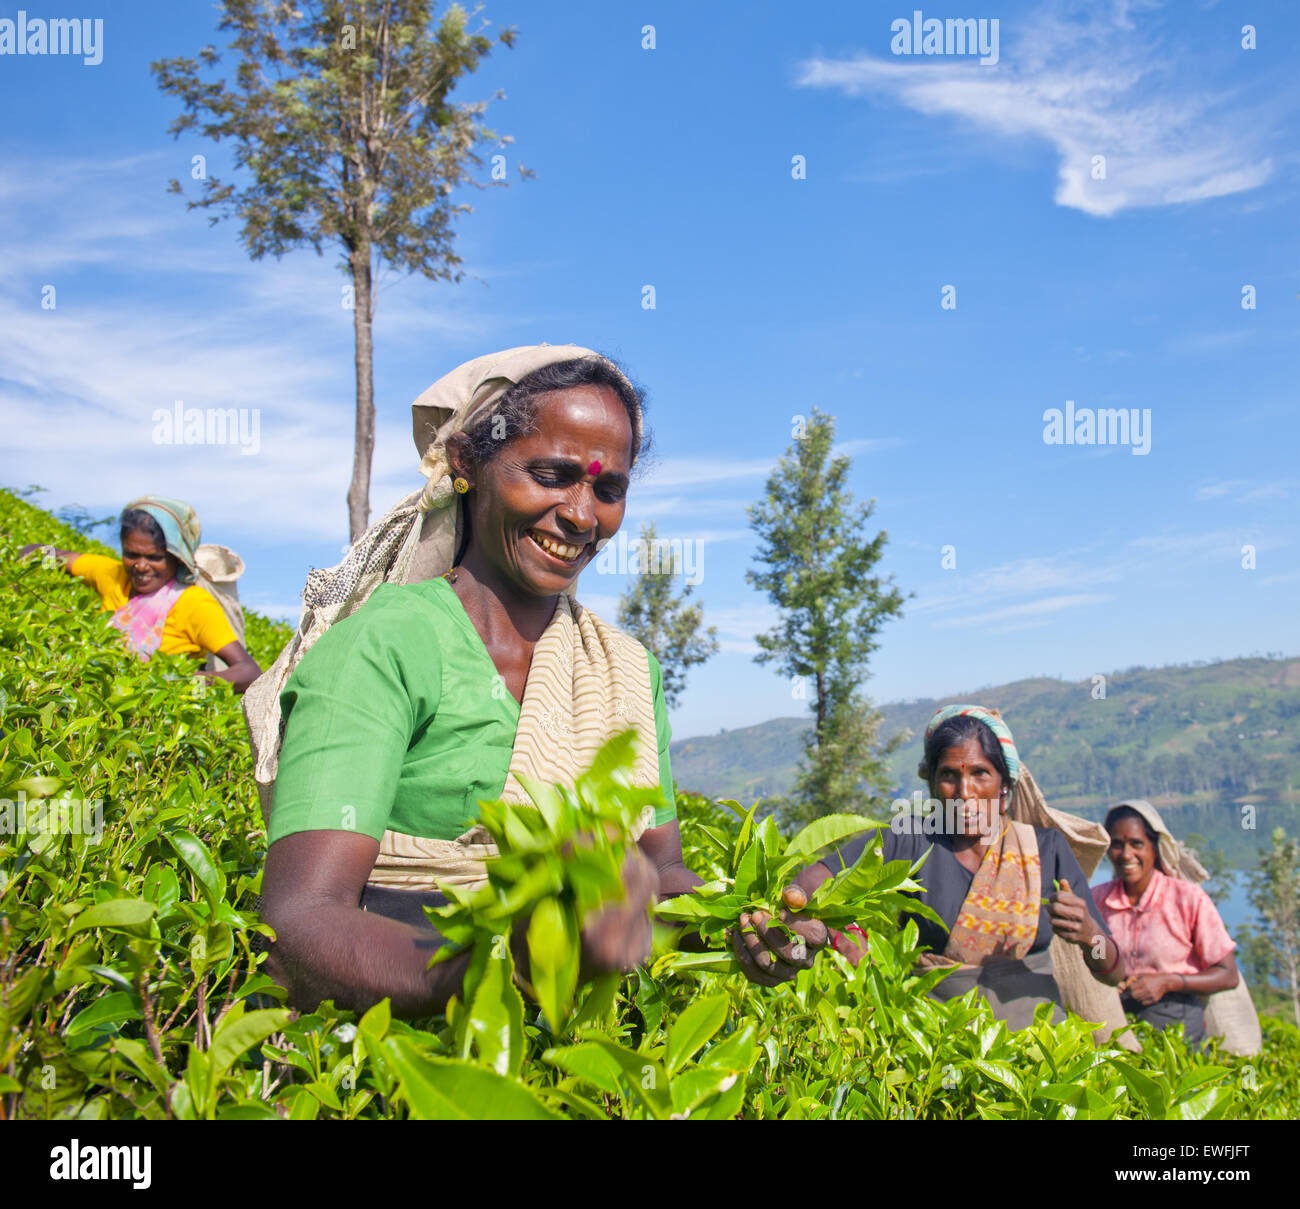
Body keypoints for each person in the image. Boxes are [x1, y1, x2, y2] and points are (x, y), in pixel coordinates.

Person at [251, 345, 813, 1018]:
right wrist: (505, 965)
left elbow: (661, 876)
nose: (581, 514)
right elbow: (298, 922)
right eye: (552, 475)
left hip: (578, 1054)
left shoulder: (624, 669)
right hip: (393, 1050)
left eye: (608, 490)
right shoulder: (389, 642)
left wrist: (742, 926)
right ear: (466, 464)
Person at [763, 704, 1126, 1028]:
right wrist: (829, 928)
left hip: (1041, 1049)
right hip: (937, 1048)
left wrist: (1090, 933)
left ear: (1004, 785)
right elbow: (814, 881)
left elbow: (1114, 973)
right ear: (933, 784)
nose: (964, 791)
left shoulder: (1044, 849)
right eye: (949, 775)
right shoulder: (909, 840)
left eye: (980, 773)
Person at [19, 496, 261, 694]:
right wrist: (20, 569)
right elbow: (42, 553)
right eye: (132, 554)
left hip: (153, 719)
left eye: (155, 558)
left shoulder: (194, 603)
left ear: (177, 558)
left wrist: (194, 683)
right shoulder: (111, 574)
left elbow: (249, 672)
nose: (141, 566)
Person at [1094, 801, 1239, 1048]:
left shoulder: (1187, 898)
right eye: (1117, 845)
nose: (1126, 855)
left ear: (1155, 848)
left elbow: (1228, 975)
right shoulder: (1097, 900)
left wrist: (1168, 981)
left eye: (1136, 844)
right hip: (1114, 1016)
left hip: (1175, 1015)